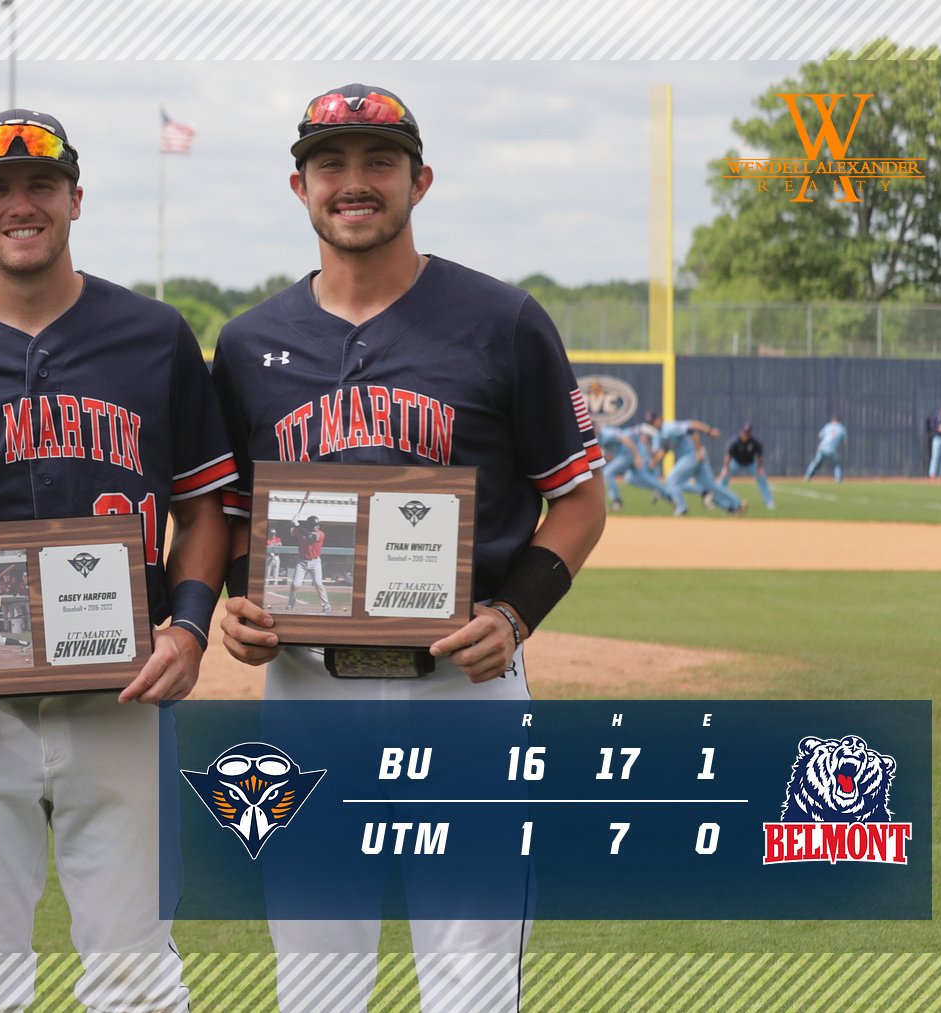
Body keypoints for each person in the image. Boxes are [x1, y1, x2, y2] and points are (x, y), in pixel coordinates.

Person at [212, 83, 606, 1013]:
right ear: (299, 186)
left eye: (378, 161)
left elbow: (581, 500)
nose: (355, 182)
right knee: (314, 982)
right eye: (332, 164)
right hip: (305, 694)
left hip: (463, 696)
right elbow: (234, 515)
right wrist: (240, 597)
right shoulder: (247, 343)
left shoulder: (503, 320)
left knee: (471, 987)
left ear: (419, 179)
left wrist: (515, 614)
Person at [0, 108, 236, 1012]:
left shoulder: (153, 335)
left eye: (39, 185)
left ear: (74, 197)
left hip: (126, 697)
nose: (19, 204)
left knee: (138, 970)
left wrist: (187, 628)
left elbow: (203, 504)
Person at [661, 416, 743, 514]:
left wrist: (709, 432)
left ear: (660, 419)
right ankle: (736, 505)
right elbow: (663, 451)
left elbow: (692, 428)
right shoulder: (660, 435)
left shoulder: (668, 428)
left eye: (654, 421)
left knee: (672, 480)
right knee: (711, 486)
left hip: (693, 456)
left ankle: (683, 507)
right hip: (696, 455)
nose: (653, 423)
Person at [597, 421, 669, 509]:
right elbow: (608, 454)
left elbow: (625, 438)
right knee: (644, 479)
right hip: (624, 455)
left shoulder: (606, 432)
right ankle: (669, 496)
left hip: (627, 454)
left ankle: (617, 501)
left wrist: (637, 456)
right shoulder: (598, 437)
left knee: (608, 473)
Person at [719, 422, 777, 510]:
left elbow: (760, 457)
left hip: (751, 463)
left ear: (750, 433)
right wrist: (726, 468)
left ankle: (769, 502)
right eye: (744, 432)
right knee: (724, 478)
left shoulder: (755, 443)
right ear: (741, 432)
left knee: (762, 479)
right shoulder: (735, 442)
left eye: (747, 433)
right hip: (736, 462)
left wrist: (760, 468)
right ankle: (718, 499)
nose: (745, 435)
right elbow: (728, 456)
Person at [284, 515, 332, 611]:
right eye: (316, 525)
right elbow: (291, 532)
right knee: (295, 584)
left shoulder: (320, 534)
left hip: (315, 562)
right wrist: (292, 523)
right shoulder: (299, 531)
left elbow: (311, 537)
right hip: (302, 562)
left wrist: (297, 524)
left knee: (318, 583)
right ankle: (290, 605)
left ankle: (326, 605)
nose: (318, 527)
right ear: (310, 525)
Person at [804, 414, 848, 482]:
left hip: (822, 447)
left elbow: (820, 435)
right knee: (836, 464)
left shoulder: (828, 426)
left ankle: (807, 476)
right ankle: (838, 478)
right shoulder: (841, 428)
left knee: (816, 462)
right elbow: (845, 441)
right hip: (832, 449)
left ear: (833, 420)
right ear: (839, 421)